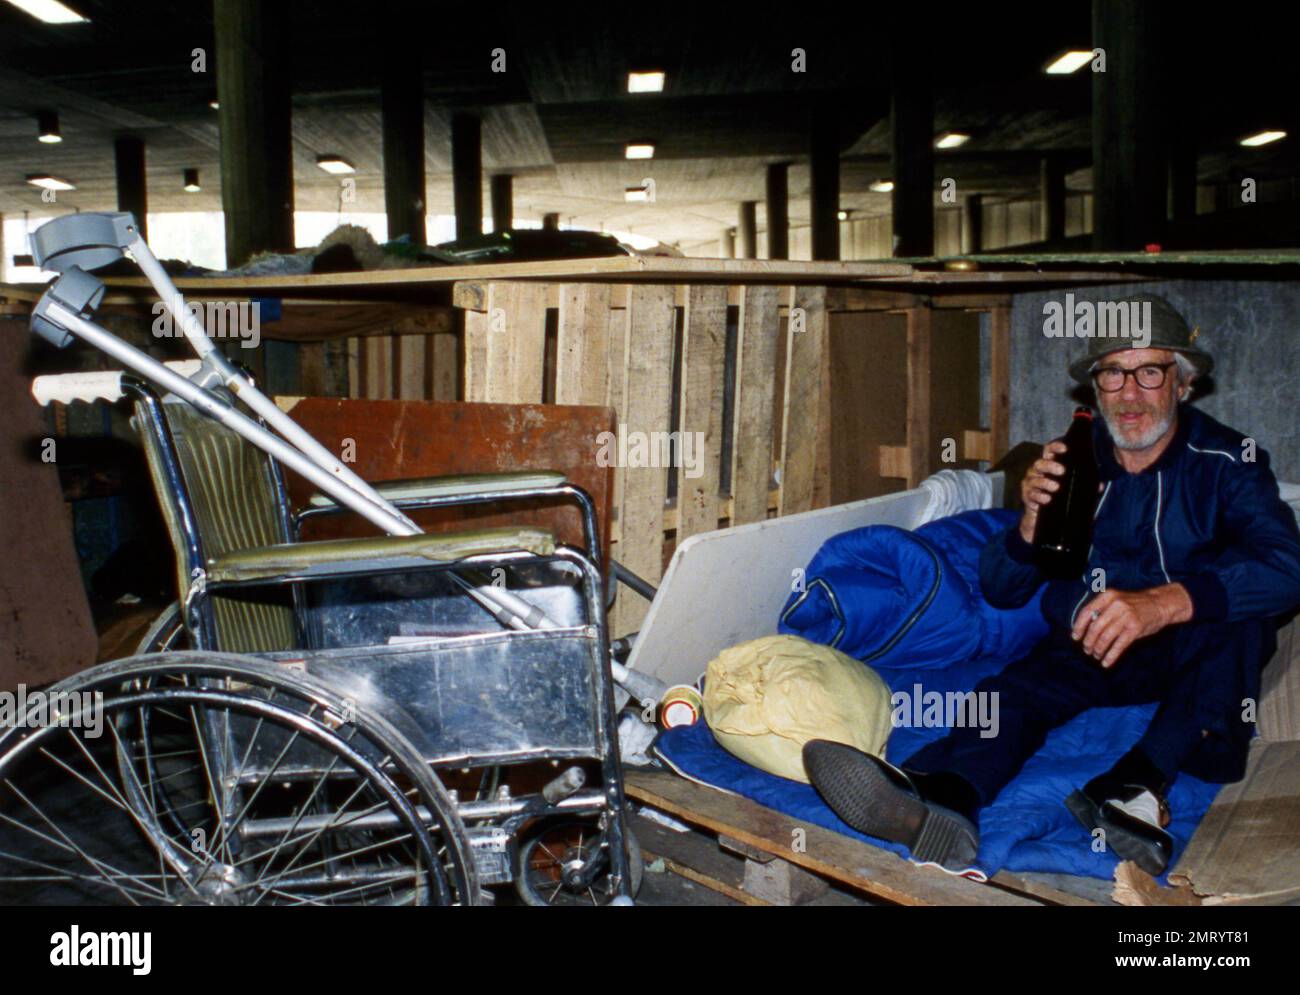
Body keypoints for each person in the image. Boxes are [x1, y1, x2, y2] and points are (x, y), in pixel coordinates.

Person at [803, 294, 1300, 875]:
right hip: (1089, 644)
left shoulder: (1229, 462)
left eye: (1150, 371)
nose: (1131, 393)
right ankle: (945, 794)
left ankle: (1134, 785)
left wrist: (1165, 604)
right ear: (1095, 388)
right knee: (1015, 691)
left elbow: (1288, 566)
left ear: (1183, 384)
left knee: (1239, 618)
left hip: (1194, 654)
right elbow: (1002, 590)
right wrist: (1027, 529)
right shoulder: (1068, 460)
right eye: (1113, 372)